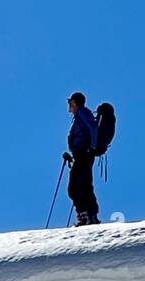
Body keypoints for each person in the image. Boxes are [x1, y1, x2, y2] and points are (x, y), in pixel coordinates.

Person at [63, 92, 100, 226]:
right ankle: (89, 215)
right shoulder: (80, 115)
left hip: (84, 153)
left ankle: (86, 216)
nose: (69, 107)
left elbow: (93, 127)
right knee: (83, 185)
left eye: (70, 103)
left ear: (74, 102)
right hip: (82, 154)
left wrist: (91, 147)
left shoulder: (83, 112)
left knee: (76, 186)